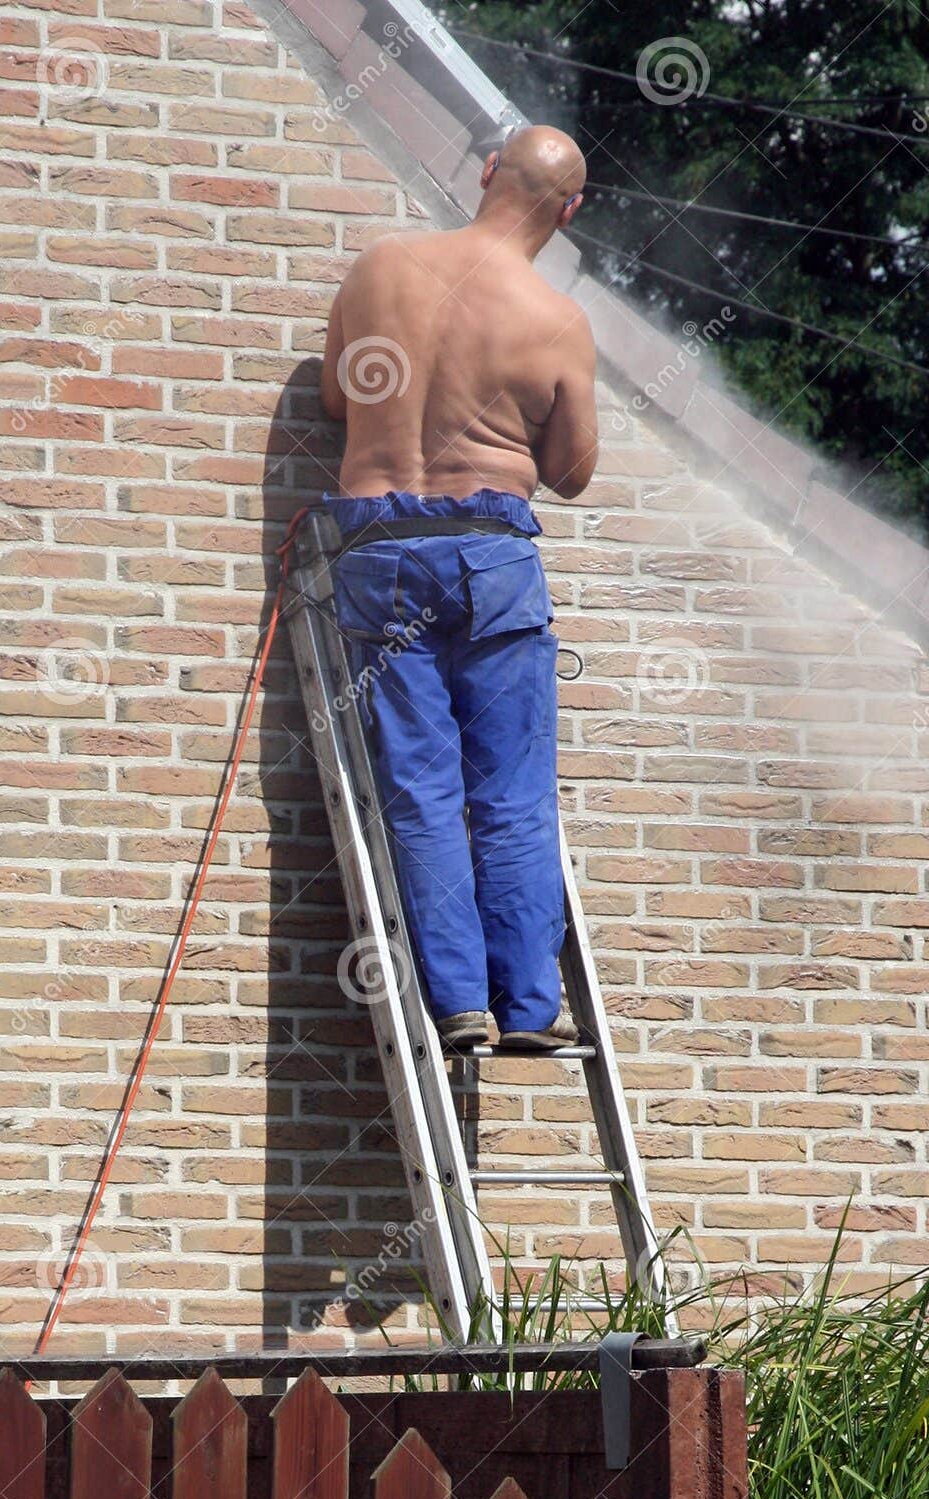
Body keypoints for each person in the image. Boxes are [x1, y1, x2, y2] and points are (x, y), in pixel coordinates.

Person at [318, 125, 598, 1051]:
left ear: (485, 173)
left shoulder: (379, 269)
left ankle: (458, 1004)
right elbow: (572, 474)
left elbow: (337, 400)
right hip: (491, 556)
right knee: (511, 790)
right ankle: (528, 1009)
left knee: (419, 786)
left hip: (381, 549)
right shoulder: (556, 319)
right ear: (569, 212)